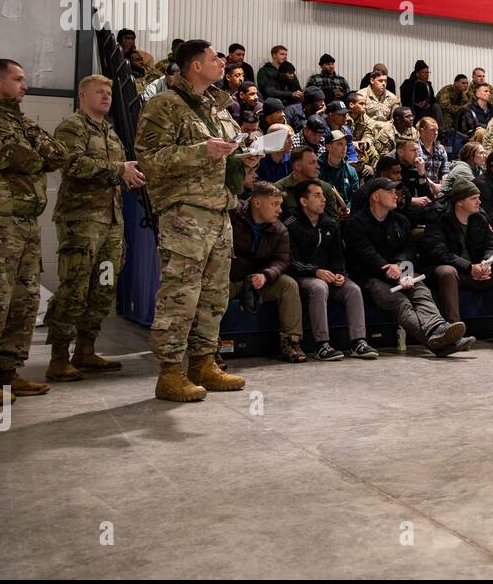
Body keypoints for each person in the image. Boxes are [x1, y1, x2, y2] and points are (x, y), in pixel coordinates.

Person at [136, 39, 256, 402]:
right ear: (193, 65)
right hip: (184, 214)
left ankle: (203, 362)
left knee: (213, 296)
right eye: (213, 57)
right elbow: (150, 159)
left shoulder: (216, 108)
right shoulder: (164, 105)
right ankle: (170, 372)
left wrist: (244, 160)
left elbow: (225, 157)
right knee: (180, 295)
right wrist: (200, 151)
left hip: (219, 212)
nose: (221, 61)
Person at [0, 60, 69, 398]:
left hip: (24, 223)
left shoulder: (18, 119)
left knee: (24, 301)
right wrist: (35, 152)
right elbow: (16, 157)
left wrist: (33, 149)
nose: (25, 86)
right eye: (18, 79)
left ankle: (7, 372)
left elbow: (59, 154)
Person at [43, 76, 146, 382]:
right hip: (81, 221)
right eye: (99, 92)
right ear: (82, 95)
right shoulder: (72, 127)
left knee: (103, 288)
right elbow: (71, 165)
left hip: (111, 220)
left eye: (109, 92)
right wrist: (118, 169)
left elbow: (111, 171)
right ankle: (59, 358)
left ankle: (85, 351)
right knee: (74, 288)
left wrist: (126, 175)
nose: (106, 96)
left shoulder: (109, 131)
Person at [344, 177, 474, 356]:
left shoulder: (401, 221)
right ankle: (440, 341)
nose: (395, 195)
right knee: (401, 303)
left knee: (422, 292)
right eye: (389, 191)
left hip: (402, 272)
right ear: (375, 196)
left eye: (395, 191)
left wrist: (401, 269)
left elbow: (409, 250)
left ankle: (439, 328)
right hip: (371, 278)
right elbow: (365, 254)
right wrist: (389, 269)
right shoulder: (356, 224)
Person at [421, 173, 493, 346]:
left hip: (476, 269)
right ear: (460, 201)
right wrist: (469, 267)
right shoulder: (438, 217)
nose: (479, 202)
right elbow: (439, 252)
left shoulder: (479, 217)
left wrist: (488, 263)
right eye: (474, 198)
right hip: (452, 271)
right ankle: (453, 330)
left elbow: (491, 246)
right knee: (447, 271)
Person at [283, 180, 376, 361]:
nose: (323, 199)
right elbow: (290, 261)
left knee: (353, 289)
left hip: (328, 274)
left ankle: (358, 341)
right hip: (303, 276)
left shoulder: (330, 223)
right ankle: (322, 344)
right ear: (303, 201)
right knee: (319, 287)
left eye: (323, 195)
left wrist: (340, 273)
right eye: (317, 196)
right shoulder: (291, 224)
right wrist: (315, 271)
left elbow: (338, 256)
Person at [230, 183, 306, 362]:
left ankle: (291, 343)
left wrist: (266, 275)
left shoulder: (279, 229)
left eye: (280, 204)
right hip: (230, 277)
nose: (280, 210)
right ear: (257, 203)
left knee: (288, 285)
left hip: (259, 278)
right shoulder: (232, 215)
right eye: (274, 204)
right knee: (213, 289)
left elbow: (282, 260)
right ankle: (210, 348)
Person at [276, 147, 348, 223]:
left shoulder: (325, 188)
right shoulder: (279, 189)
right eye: (312, 163)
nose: (318, 166)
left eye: (316, 162)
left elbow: (334, 222)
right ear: (298, 166)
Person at [318, 129, 361, 210]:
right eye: (340, 144)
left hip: (347, 214)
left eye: (345, 144)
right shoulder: (317, 168)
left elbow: (355, 196)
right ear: (328, 147)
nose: (344, 148)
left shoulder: (351, 171)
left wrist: (349, 209)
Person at [399, 60, 439, 125]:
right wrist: (417, 105)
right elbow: (405, 101)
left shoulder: (428, 84)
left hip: (427, 108)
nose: (426, 75)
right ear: (417, 74)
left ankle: (441, 131)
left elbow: (433, 98)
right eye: (424, 73)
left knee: (436, 106)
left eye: (427, 73)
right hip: (414, 110)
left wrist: (428, 103)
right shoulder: (407, 84)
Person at [415, 116, 449, 192]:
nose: (436, 133)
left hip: (438, 187)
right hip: (420, 186)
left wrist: (443, 186)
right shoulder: (415, 148)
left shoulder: (440, 148)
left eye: (437, 130)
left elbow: (445, 170)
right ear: (422, 131)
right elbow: (416, 172)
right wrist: (433, 185)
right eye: (432, 130)